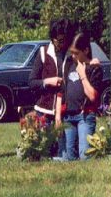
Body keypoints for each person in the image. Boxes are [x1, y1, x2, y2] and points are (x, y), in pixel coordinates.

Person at [28, 19, 74, 155]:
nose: (63, 44)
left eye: (65, 40)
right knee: (44, 153)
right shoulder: (43, 53)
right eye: (59, 40)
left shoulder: (72, 54)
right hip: (44, 111)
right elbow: (31, 82)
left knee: (64, 154)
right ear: (52, 38)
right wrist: (48, 81)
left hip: (66, 112)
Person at [57, 31, 103, 160]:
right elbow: (61, 91)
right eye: (71, 52)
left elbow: (92, 96)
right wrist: (58, 116)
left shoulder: (94, 68)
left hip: (85, 116)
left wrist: (82, 73)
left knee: (85, 157)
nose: (73, 56)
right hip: (68, 116)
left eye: (76, 53)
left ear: (86, 50)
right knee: (67, 157)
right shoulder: (68, 64)